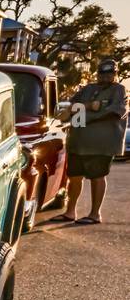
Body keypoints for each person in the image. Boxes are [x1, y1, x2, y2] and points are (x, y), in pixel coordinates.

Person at [56, 58, 128, 224]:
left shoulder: (119, 90)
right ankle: (70, 212)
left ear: (115, 74)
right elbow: (72, 106)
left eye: (110, 73)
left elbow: (115, 111)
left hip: (101, 144)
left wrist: (86, 114)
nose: (105, 76)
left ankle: (95, 214)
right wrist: (90, 106)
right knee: (74, 177)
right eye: (102, 72)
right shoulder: (88, 88)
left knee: (97, 176)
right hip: (77, 141)